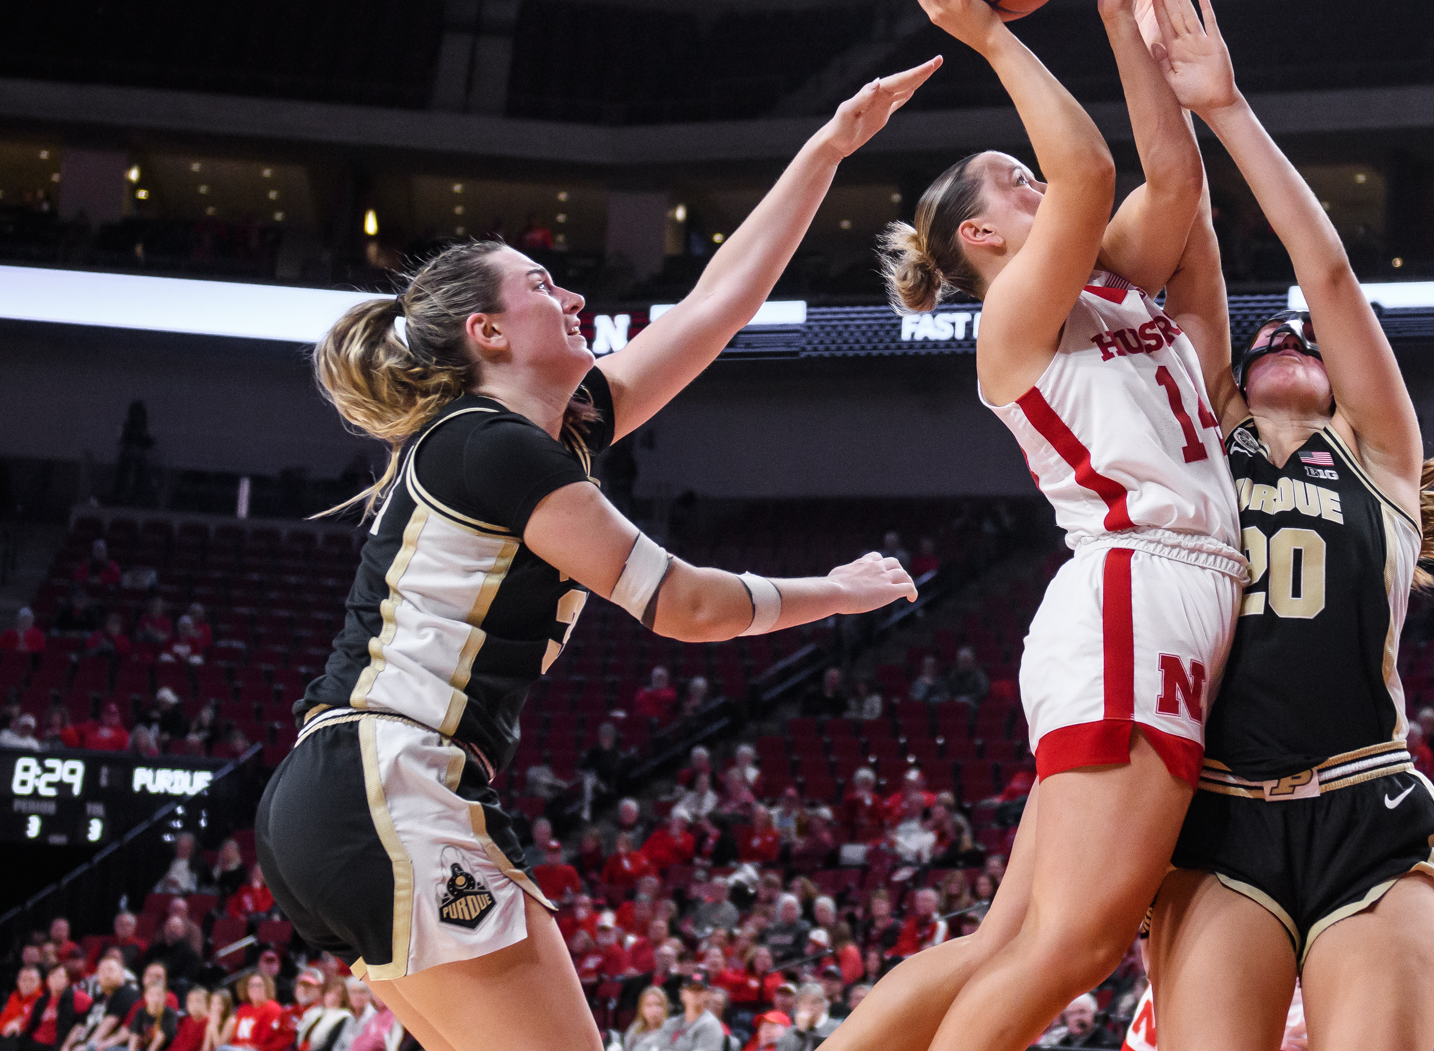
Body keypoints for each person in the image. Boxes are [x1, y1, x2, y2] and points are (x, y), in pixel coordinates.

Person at [252, 62, 936, 1051]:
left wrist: (827, 147)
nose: (571, 293)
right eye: (539, 285)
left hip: (351, 795)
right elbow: (682, 605)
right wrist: (835, 591)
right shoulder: (487, 443)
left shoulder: (551, 428)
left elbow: (716, 309)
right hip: (388, 781)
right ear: (486, 332)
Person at [831, 0, 1239, 1051]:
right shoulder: (1013, 321)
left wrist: (1125, 28)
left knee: (1008, 944)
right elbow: (1095, 167)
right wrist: (990, 34)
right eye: (1011, 183)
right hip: (1135, 587)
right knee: (1074, 947)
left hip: (1158, 594)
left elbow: (1171, 181)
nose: (1039, 183)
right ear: (982, 242)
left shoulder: (1116, 299)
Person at [1119, 0, 1434, 1051]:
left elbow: (1321, 271)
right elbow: (1191, 246)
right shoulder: (1201, 436)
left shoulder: (1374, 452)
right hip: (1218, 815)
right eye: (1259, 334)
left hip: (1365, 803)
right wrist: (1139, 56)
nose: (1282, 329)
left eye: (1302, 339)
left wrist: (1226, 107)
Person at [621, 987, 675, 1051]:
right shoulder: (635, 1029)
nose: (654, 1010)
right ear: (641, 1009)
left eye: (658, 1005)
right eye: (649, 1005)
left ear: (665, 1008)